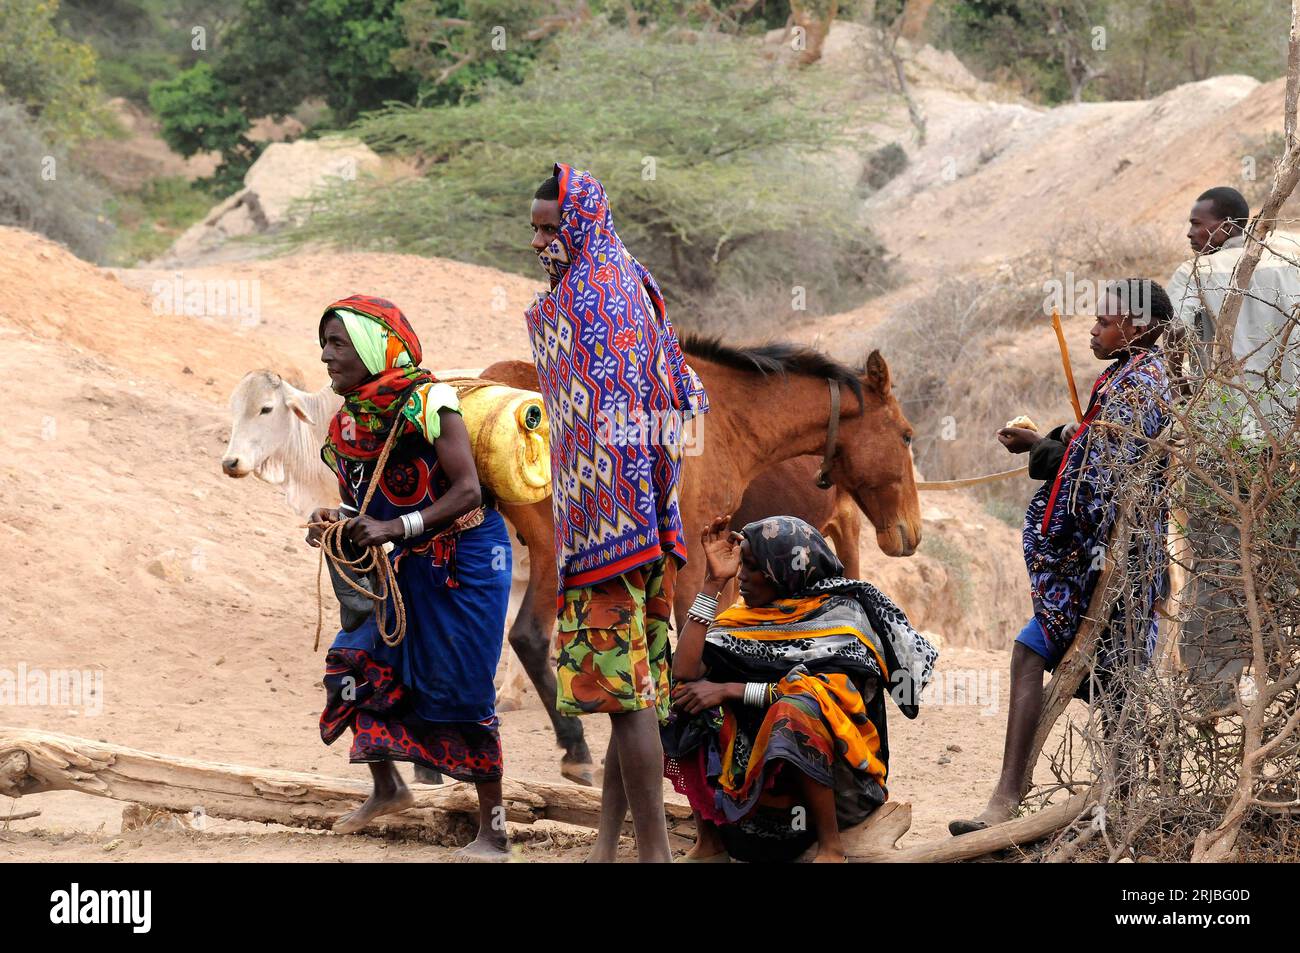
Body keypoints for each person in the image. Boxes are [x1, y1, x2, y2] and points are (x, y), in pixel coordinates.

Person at [525, 163, 708, 862]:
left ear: (581, 220)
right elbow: (679, 391)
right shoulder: (629, 276)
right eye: (536, 229)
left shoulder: (593, 296)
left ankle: (653, 854)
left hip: (608, 533)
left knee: (628, 701)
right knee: (628, 690)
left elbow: (617, 409)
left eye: (552, 227)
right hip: (642, 523)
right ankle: (606, 846)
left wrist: (611, 498)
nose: (542, 242)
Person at [949, 279, 1173, 834]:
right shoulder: (1125, 377)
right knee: (1038, 653)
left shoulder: (1140, 386)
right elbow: (1094, 445)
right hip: (1099, 560)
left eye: (1103, 321)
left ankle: (1120, 805)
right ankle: (1010, 797)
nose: (1093, 329)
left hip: (1112, 562)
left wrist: (1042, 450)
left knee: (1116, 679)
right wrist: (1057, 439)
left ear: (1138, 327)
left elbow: (1103, 477)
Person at [307, 294, 513, 861]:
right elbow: (365, 505)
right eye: (324, 343)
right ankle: (388, 787)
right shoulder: (348, 422)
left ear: (375, 346)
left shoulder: (430, 401)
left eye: (338, 343)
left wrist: (396, 527)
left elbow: (467, 490)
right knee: (354, 661)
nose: (326, 356)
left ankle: (495, 832)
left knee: (464, 686)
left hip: (466, 558)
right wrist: (336, 521)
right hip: (405, 559)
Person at [661, 515, 936, 863]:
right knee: (682, 699)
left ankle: (831, 849)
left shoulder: (842, 617)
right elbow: (685, 672)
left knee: (796, 710)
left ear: (785, 571)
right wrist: (712, 583)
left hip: (841, 792)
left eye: (751, 566)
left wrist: (732, 689)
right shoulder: (743, 618)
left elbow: (826, 694)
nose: (741, 577)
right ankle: (710, 843)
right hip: (754, 802)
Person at [1167, 186, 1300, 712]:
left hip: (1220, 446)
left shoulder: (1195, 275)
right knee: (1283, 564)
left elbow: (1176, 348)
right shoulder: (1292, 260)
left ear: (1228, 225)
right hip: (1284, 446)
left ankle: (1211, 692)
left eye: (1199, 224)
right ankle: (1283, 682)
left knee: (1217, 566)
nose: (1191, 233)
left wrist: (1186, 408)